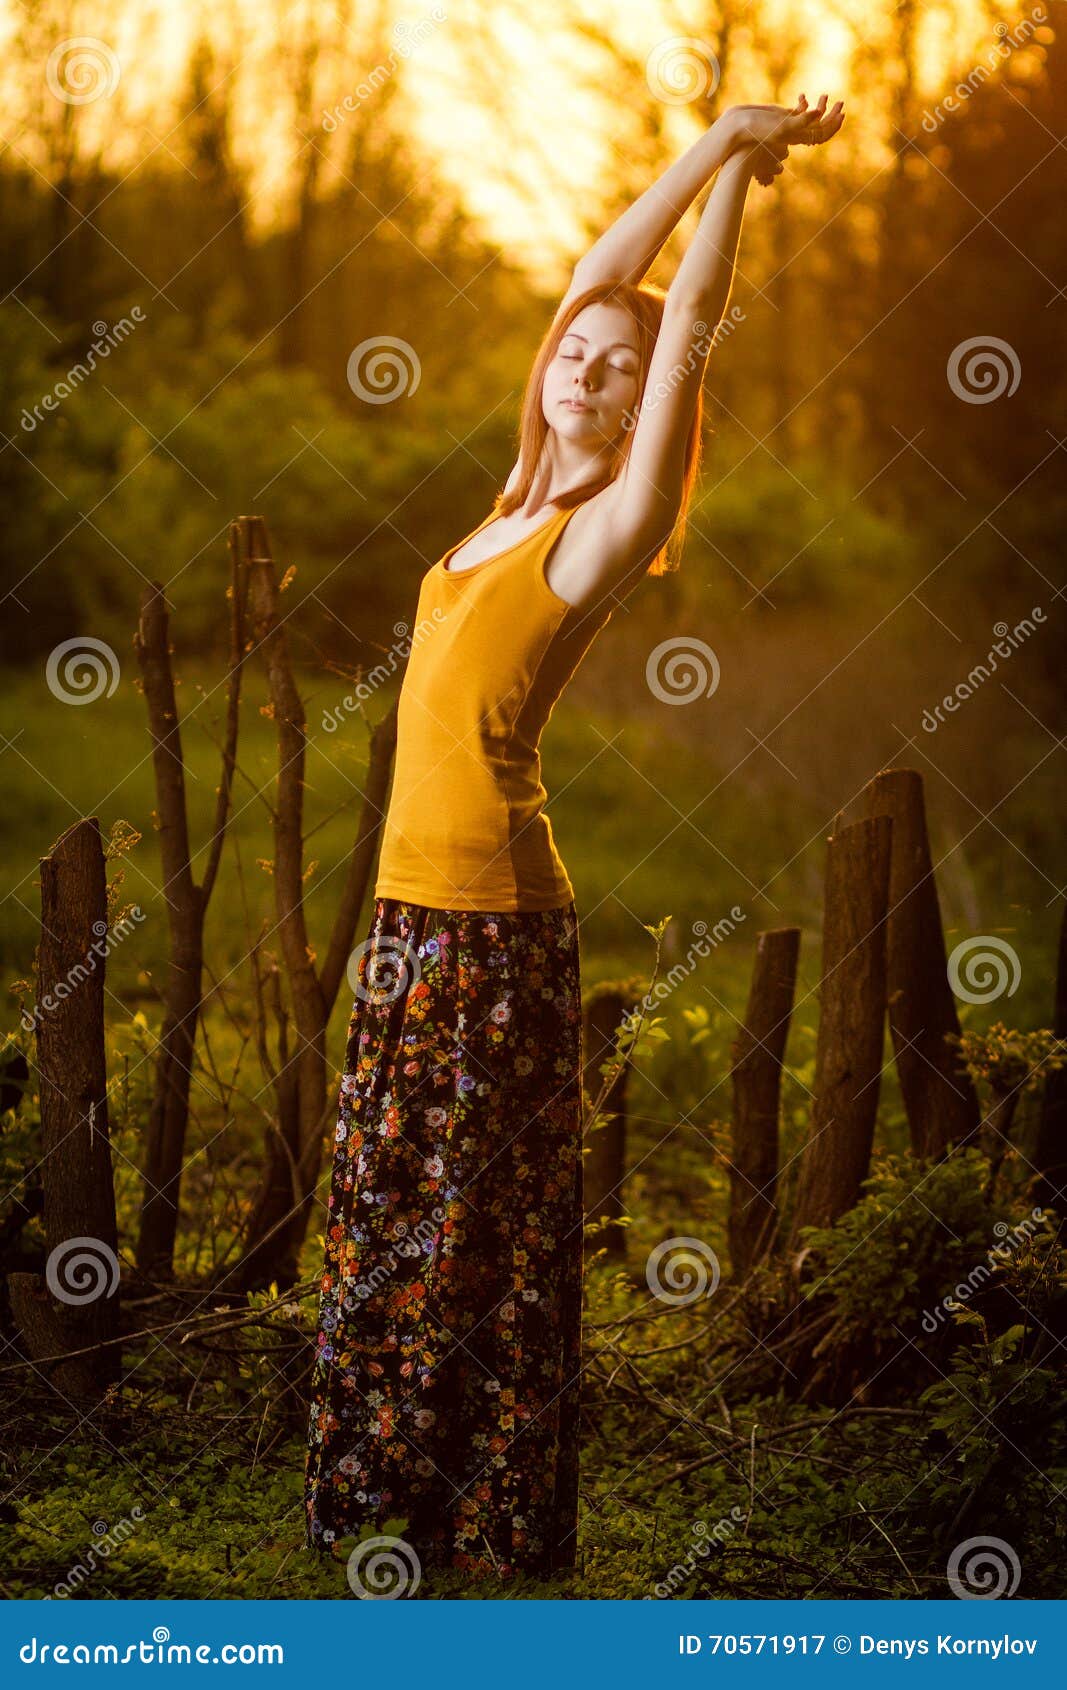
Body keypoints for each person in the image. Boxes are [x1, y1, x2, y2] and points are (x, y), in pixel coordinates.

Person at [303, 92, 845, 1585]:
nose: (592, 369)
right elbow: (600, 281)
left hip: (492, 925)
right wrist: (712, 138)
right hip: (411, 917)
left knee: (482, 1237)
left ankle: (478, 1520)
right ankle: (384, 1497)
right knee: (388, 1221)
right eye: (576, 353)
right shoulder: (500, 499)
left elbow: (683, 329)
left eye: (618, 369)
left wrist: (741, 182)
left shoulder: (603, 525)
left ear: (629, 405)